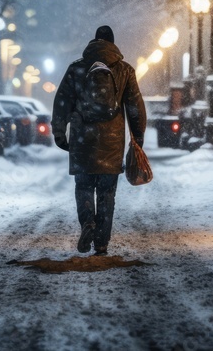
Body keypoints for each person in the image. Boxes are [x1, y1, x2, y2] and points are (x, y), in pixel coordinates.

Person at [52, 25, 146, 255]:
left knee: (84, 186)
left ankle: (87, 224)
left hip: (82, 141)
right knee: (106, 193)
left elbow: (62, 101)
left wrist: (59, 132)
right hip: (111, 144)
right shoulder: (125, 70)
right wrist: (137, 137)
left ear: (93, 42)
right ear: (113, 44)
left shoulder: (76, 69)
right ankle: (102, 243)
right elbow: (135, 108)